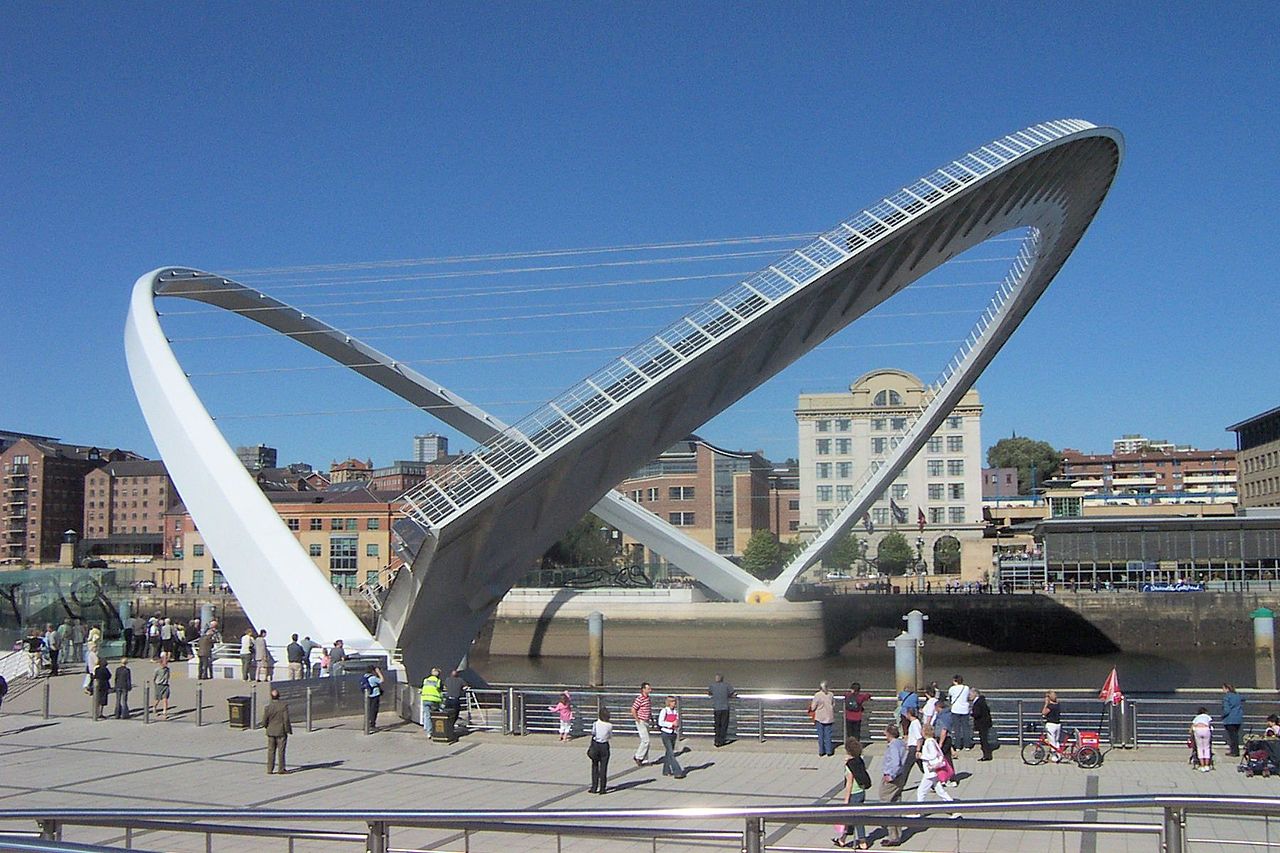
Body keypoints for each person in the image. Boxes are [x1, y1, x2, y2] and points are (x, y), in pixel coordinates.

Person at [833, 738, 872, 849]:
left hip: (854, 794)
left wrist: (846, 799)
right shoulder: (859, 760)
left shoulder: (850, 765)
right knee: (851, 817)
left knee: (855, 818)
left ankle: (862, 842)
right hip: (861, 792)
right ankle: (842, 839)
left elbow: (849, 784)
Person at [879, 724, 909, 848]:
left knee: (886, 802)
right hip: (900, 776)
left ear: (889, 734)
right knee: (896, 803)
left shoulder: (893, 746)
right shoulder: (901, 743)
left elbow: (896, 762)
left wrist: (891, 775)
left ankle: (892, 834)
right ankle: (896, 835)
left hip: (893, 778)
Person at [916, 722, 956, 804]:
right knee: (940, 791)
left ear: (924, 732)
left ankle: (919, 810)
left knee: (921, 791)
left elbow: (933, 755)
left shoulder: (929, 742)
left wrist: (921, 756)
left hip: (930, 771)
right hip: (933, 771)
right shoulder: (932, 741)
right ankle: (951, 804)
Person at [263, 687, 293, 774]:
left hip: (271, 731)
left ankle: (270, 769)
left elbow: (264, 720)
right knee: (281, 750)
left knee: (271, 750)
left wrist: (266, 727)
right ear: (279, 696)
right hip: (281, 731)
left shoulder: (268, 707)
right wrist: (288, 730)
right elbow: (286, 719)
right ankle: (281, 768)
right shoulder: (283, 706)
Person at [656, 695, 685, 778]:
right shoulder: (664, 711)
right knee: (672, 754)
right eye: (672, 702)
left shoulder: (675, 712)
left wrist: (677, 726)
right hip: (666, 733)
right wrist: (671, 724)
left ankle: (666, 770)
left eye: (675, 702)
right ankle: (677, 771)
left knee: (669, 752)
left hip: (673, 733)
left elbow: (677, 721)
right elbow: (660, 722)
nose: (674, 703)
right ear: (668, 703)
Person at [588, 706, 613, 794]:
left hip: (596, 744)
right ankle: (603, 788)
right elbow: (610, 736)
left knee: (595, 765)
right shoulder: (609, 725)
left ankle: (594, 786)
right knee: (603, 767)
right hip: (604, 745)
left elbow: (593, 733)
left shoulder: (595, 723)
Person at [810, 680, 836, 757]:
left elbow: (813, 707)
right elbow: (833, 704)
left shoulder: (817, 695)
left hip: (820, 717)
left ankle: (821, 751)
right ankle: (829, 751)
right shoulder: (831, 694)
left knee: (820, 735)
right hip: (829, 717)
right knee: (828, 735)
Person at [708, 674, 735, 747]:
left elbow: (709, 693)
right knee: (724, 725)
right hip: (725, 707)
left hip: (716, 708)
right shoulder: (727, 685)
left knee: (717, 725)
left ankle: (717, 740)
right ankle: (722, 740)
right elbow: (733, 694)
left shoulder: (712, 686)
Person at [948, 675, 973, 750]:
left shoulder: (952, 688)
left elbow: (950, 696)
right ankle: (967, 745)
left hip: (955, 709)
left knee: (957, 728)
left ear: (955, 681)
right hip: (965, 709)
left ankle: (958, 745)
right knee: (966, 728)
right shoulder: (966, 688)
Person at [631, 682, 653, 767]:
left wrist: (651, 719)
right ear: (643, 689)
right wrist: (637, 719)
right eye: (648, 689)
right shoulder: (639, 699)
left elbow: (648, 709)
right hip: (641, 721)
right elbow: (633, 709)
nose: (650, 690)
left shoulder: (648, 698)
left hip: (647, 720)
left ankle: (645, 759)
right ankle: (638, 756)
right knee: (646, 740)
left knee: (647, 742)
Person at [971, 686, 994, 761]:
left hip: (982, 723)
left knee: (983, 740)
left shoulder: (978, 702)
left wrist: (971, 713)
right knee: (984, 739)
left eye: (970, 694)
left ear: (975, 694)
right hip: (985, 723)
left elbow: (977, 713)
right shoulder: (982, 701)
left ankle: (987, 755)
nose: (969, 696)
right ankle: (986, 754)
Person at [1222, 683, 1244, 757]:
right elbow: (1243, 699)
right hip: (1238, 718)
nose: (1223, 690)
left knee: (1231, 736)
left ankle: (1234, 751)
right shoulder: (1237, 696)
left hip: (1229, 719)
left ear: (1227, 689)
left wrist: (1222, 716)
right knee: (1236, 736)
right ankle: (1236, 750)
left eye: (1223, 689)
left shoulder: (1227, 697)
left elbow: (1226, 709)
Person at [420, 667, 444, 732]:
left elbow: (422, 688)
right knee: (439, 713)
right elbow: (441, 690)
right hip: (434, 700)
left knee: (427, 715)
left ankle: (428, 731)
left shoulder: (425, 680)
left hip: (425, 699)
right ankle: (439, 728)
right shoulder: (438, 681)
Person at [1190, 706, 1213, 772]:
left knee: (1199, 748)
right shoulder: (1207, 717)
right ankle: (1207, 765)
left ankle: (1202, 765)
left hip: (1197, 730)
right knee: (1207, 748)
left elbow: (1192, 726)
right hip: (1205, 729)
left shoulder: (1197, 717)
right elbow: (1209, 725)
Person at [1042, 690, 1063, 761]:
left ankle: (1055, 757)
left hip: (1051, 725)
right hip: (1058, 724)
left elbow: (1044, 712)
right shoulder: (1058, 704)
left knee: (1051, 741)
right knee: (1056, 741)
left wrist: (1046, 704)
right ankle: (1059, 754)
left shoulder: (1050, 706)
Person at [363, 666, 384, 731]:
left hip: (368, 695)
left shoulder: (365, 676)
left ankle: (367, 724)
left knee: (368, 710)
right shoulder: (373, 678)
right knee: (374, 710)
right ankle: (372, 724)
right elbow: (382, 680)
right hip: (375, 695)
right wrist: (379, 672)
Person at [152, 655, 171, 720]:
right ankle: (154, 707)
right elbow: (154, 678)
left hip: (165, 685)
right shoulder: (157, 670)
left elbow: (168, 676)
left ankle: (165, 713)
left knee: (165, 699)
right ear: (161, 663)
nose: (166, 664)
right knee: (158, 699)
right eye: (165, 662)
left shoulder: (167, 669)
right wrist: (155, 684)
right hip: (159, 685)